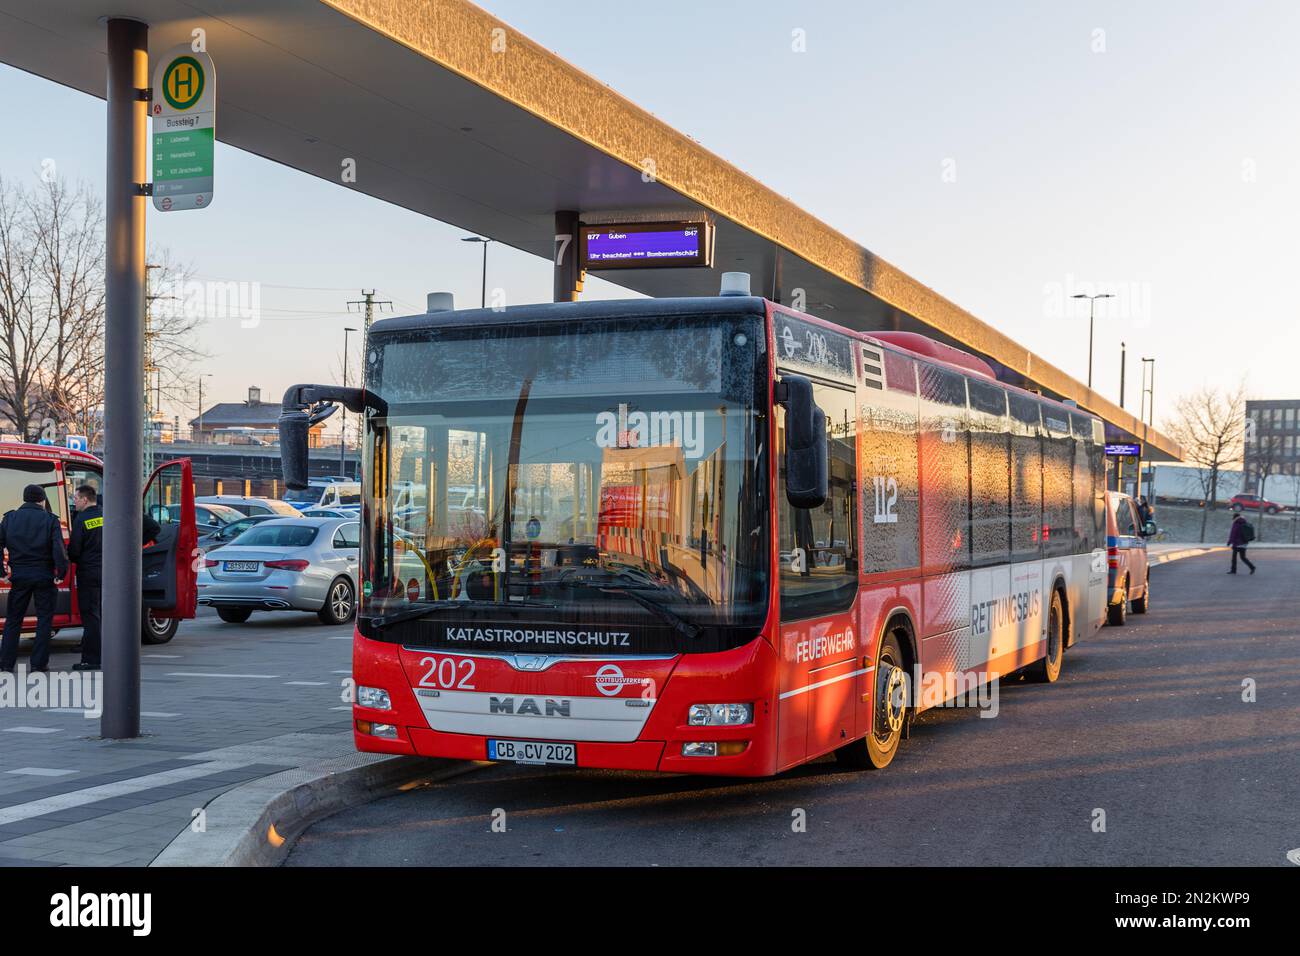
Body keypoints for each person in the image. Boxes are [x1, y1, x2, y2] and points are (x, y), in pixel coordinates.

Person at [0, 485, 69, 673]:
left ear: (25, 499)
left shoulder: (10, 518)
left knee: (13, 620)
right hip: (44, 576)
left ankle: (6, 664)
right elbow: (58, 550)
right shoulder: (50, 520)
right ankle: (38, 665)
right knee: (44, 620)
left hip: (20, 576)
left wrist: (3, 572)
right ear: (42, 500)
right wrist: (60, 573)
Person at [67, 485, 103, 671]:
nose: (75, 502)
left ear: (85, 499)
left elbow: (74, 551)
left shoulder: (81, 519)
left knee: (90, 617)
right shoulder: (107, 516)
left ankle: (91, 659)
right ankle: (110, 654)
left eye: (76, 498)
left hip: (88, 574)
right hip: (109, 574)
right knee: (104, 616)